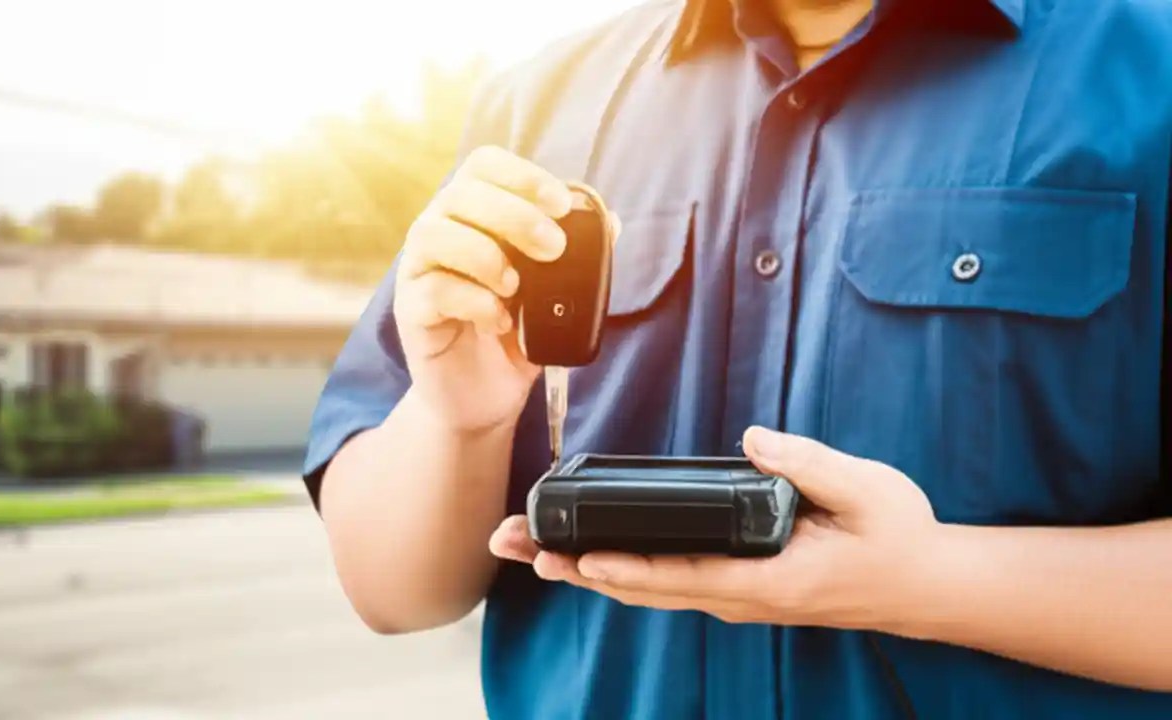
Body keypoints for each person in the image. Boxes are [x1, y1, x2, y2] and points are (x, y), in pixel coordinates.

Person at [303, 0, 1172, 717]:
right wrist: (459, 422)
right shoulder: (538, 104)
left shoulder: (1152, 69)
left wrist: (928, 579)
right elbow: (394, 592)